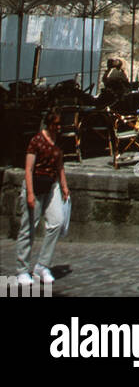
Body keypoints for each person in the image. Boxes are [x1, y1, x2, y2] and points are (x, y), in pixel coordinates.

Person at [16, 108, 70, 286]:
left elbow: (60, 164)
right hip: (36, 183)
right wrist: (30, 193)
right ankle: (22, 269)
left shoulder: (58, 140)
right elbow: (28, 168)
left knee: (56, 221)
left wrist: (64, 185)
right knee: (28, 227)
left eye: (60, 124)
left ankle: (42, 264)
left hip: (51, 184)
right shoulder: (36, 141)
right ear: (49, 124)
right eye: (56, 124)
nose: (59, 127)